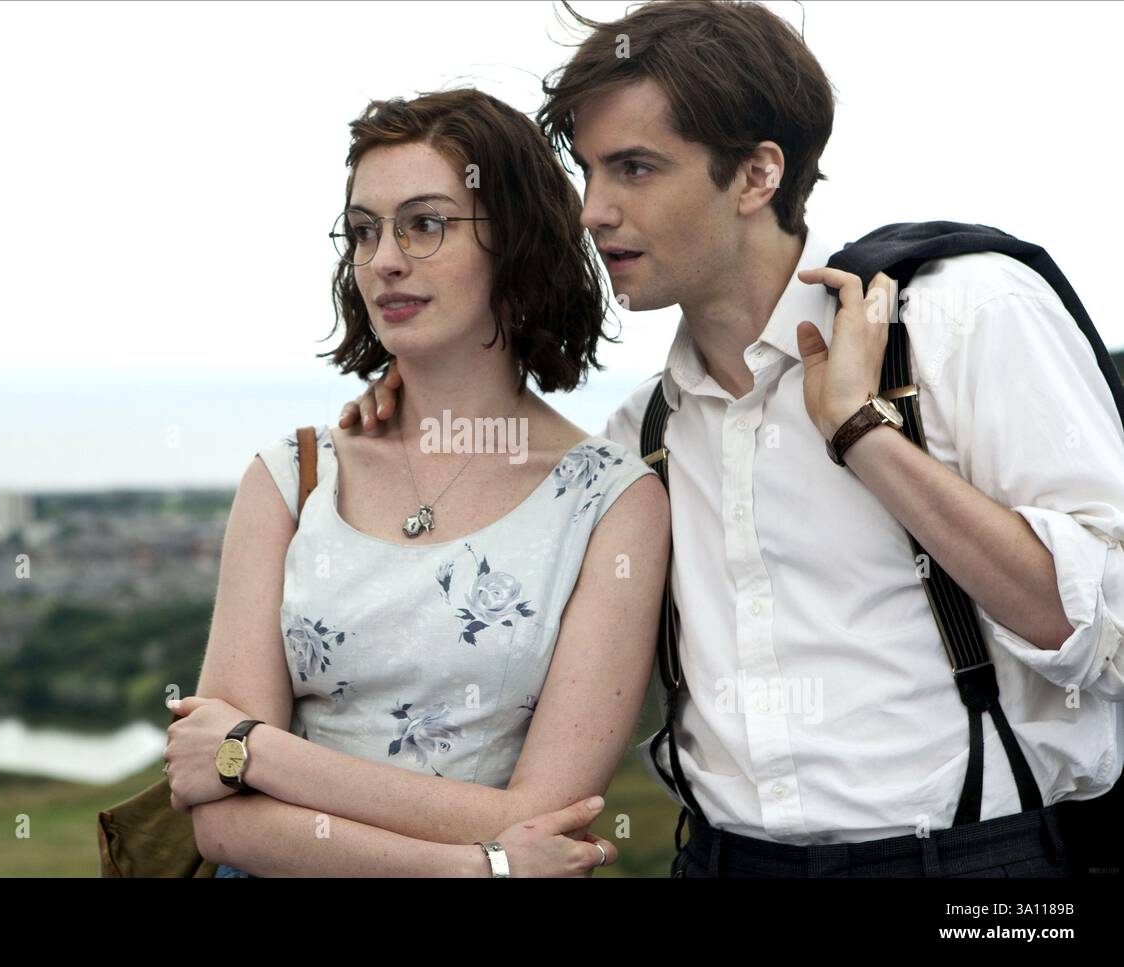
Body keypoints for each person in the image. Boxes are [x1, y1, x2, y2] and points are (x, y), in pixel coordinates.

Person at [340, 0, 1124, 878]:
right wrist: (416, 398)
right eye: (589, 171)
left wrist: (862, 432)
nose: (594, 211)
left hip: (977, 871)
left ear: (756, 175)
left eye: (635, 168)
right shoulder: (644, 430)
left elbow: (1106, 628)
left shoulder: (962, 316)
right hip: (721, 863)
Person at [161, 87, 672, 877]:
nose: (385, 258)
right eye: (364, 231)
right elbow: (221, 826)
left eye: (426, 224)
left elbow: (542, 815)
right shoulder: (290, 480)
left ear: (517, 239)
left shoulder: (613, 502)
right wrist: (478, 867)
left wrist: (250, 749)